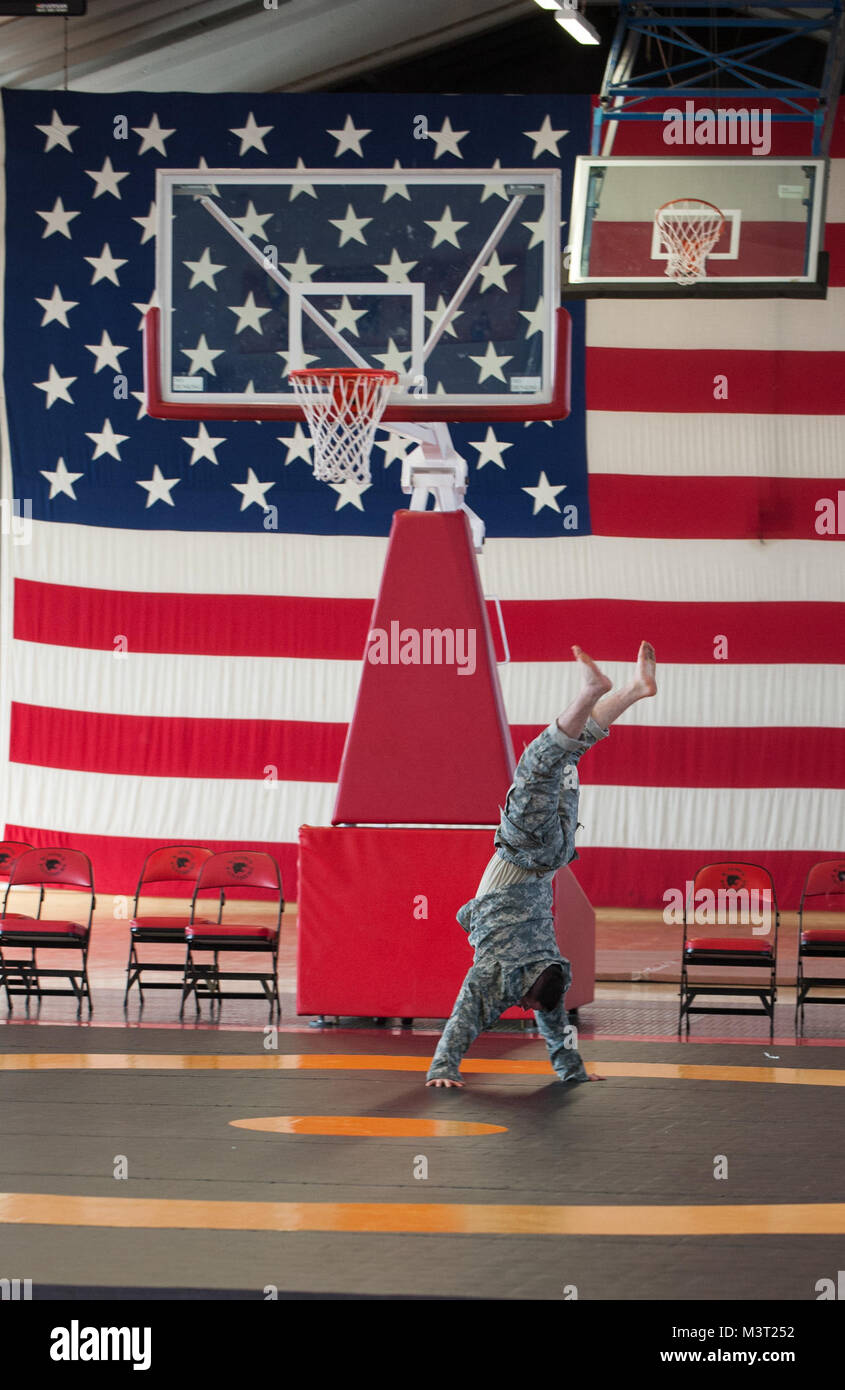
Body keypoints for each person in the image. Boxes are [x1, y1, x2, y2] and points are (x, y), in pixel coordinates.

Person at [426, 642, 657, 1089]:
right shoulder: (498, 972)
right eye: (530, 1004)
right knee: (537, 762)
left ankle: (634, 690)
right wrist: (442, 1069)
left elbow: (558, 1033)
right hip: (525, 852)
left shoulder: (551, 969)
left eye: (530, 1005)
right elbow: (462, 1021)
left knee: (565, 755)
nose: (528, 1009)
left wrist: (573, 1072)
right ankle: (594, 689)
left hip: (556, 854)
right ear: (531, 983)